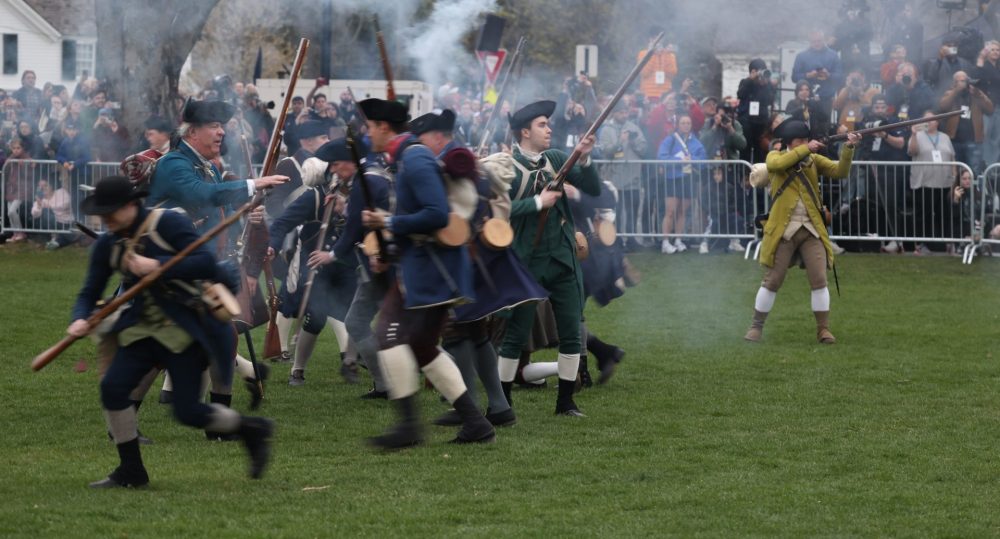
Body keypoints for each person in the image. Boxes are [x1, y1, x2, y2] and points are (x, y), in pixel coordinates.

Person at [69, 176, 273, 488]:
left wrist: (156, 265)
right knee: (112, 388)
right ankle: (131, 471)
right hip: (141, 329)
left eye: (111, 213)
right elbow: (89, 291)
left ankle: (251, 428)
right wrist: (81, 318)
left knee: (188, 411)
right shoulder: (109, 244)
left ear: (130, 206)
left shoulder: (167, 223)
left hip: (186, 329)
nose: (106, 220)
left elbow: (205, 263)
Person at [358, 98, 495, 448]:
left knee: (387, 335)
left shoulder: (415, 158)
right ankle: (476, 423)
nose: (366, 132)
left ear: (384, 128)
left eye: (369, 126)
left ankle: (408, 427)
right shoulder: (409, 157)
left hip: (432, 270)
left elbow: (436, 214)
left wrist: (387, 221)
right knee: (420, 344)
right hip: (429, 267)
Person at [147, 100, 286, 428]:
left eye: (222, 125)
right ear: (192, 132)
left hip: (196, 265)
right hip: (166, 268)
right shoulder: (174, 164)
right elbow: (201, 196)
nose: (222, 131)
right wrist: (253, 185)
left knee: (219, 337)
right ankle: (125, 423)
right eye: (214, 125)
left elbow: (216, 212)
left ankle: (214, 416)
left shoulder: (205, 166)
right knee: (158, 347)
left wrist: (247, 216)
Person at [494, 100, 602, 417]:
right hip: (526, 262)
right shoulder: (507, 168)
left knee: (570, 331)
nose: (549, 128)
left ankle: (565, 402)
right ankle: (503, 403)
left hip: (564, 259)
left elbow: (592, 187)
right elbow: (497, 212)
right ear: (524, 132)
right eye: (542, 125)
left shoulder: (556, 159)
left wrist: (584, 156)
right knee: (515, 336)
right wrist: (536, 203)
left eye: (548, 124)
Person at [744, 119, 860, 344]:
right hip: (783, 231)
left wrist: (849, 147)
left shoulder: (813, 160)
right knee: (772, 280)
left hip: (811, 229)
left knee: (819, 280)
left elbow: (841, 171)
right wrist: (807, 149)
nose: (806, 144)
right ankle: (756, 327)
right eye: (801, 141)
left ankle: (823, 329)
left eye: (807, 140)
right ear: (789, 142)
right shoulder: (775, 157)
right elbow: (778, 166)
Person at [311, 135, 393, 400]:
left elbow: (356, 228)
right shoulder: (373, 176)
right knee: (358, 322)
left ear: (349, 161)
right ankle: (385, 385)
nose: (334, 170)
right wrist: (345, 207)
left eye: (336, 164)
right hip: (380, 262)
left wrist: (331, 255)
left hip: (382, 263)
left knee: (407, 333)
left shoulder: (366, 181)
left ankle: (391, 384)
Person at [268, 147, 357, 386]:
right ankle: (298, 370)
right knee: (316, 318)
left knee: (356, 315)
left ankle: (351, 362)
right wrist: (272, 246)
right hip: (317, 265)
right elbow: (282, 223)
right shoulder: (315, 197)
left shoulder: (361, 195)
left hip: (349, 264)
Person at [597, 102, 647, 249]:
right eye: (621, 113)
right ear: (614, 113)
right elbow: (606, 151)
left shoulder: (634, 127)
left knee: (632, 210)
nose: (624, 115)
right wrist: (621, 141)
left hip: (633, 177)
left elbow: (644, 149)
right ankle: (616, 240)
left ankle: (631, 240)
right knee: (616, 212)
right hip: (615, 179)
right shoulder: (606, 129)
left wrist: (634, 141)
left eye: (626, 112)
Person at [907, 111, 956, 254]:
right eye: (925, 120)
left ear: (937, 122)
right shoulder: (917, 136)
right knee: (924, 215)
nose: (928, 122)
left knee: (944, 215)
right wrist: (914, 134)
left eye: (932, 119)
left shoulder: (945, 137)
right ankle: (921, 244)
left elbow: (952, 157)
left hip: (944, 183)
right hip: (924, 183)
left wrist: (954, 176)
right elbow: (912, 151)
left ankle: (946, 243)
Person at [657, 114, 706, 254]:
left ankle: (678, 239)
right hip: (672, 178)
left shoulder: (696, 142)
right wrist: (679, 160)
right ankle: (665, 242)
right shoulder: (670, 140)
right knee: (670, 211)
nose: (686, 125)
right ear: (678, 125)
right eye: (683, 123)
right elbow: (661, 157)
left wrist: (692, 159)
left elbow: (703, 159)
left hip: (688, 179)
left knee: (682, 212)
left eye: (688, 123)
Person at [938, 71, 994, 175]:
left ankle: (973, 191)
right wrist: (956, 91)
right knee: (954, 172)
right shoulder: (950, 93)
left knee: (974, 172)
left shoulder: (975, 94)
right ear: (955, 82)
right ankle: (956, 191)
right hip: (954, 141)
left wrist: (978, 94)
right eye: (962, 81)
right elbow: (943, 106)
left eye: (966, 80)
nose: (965, 83)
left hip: (974, 141)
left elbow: (990, 110)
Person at [737, 59, 775, 163]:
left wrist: (766, 84)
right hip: (747, 121)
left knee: (760, 150)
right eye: (758, 71)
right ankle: (745, 175)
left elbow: (770, 100)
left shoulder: (766, 84)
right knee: (746, 149)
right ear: (752, 71)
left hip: (761, 121)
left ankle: (759, 175)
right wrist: (751, 79)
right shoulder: (745, 82)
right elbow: (740, 94)